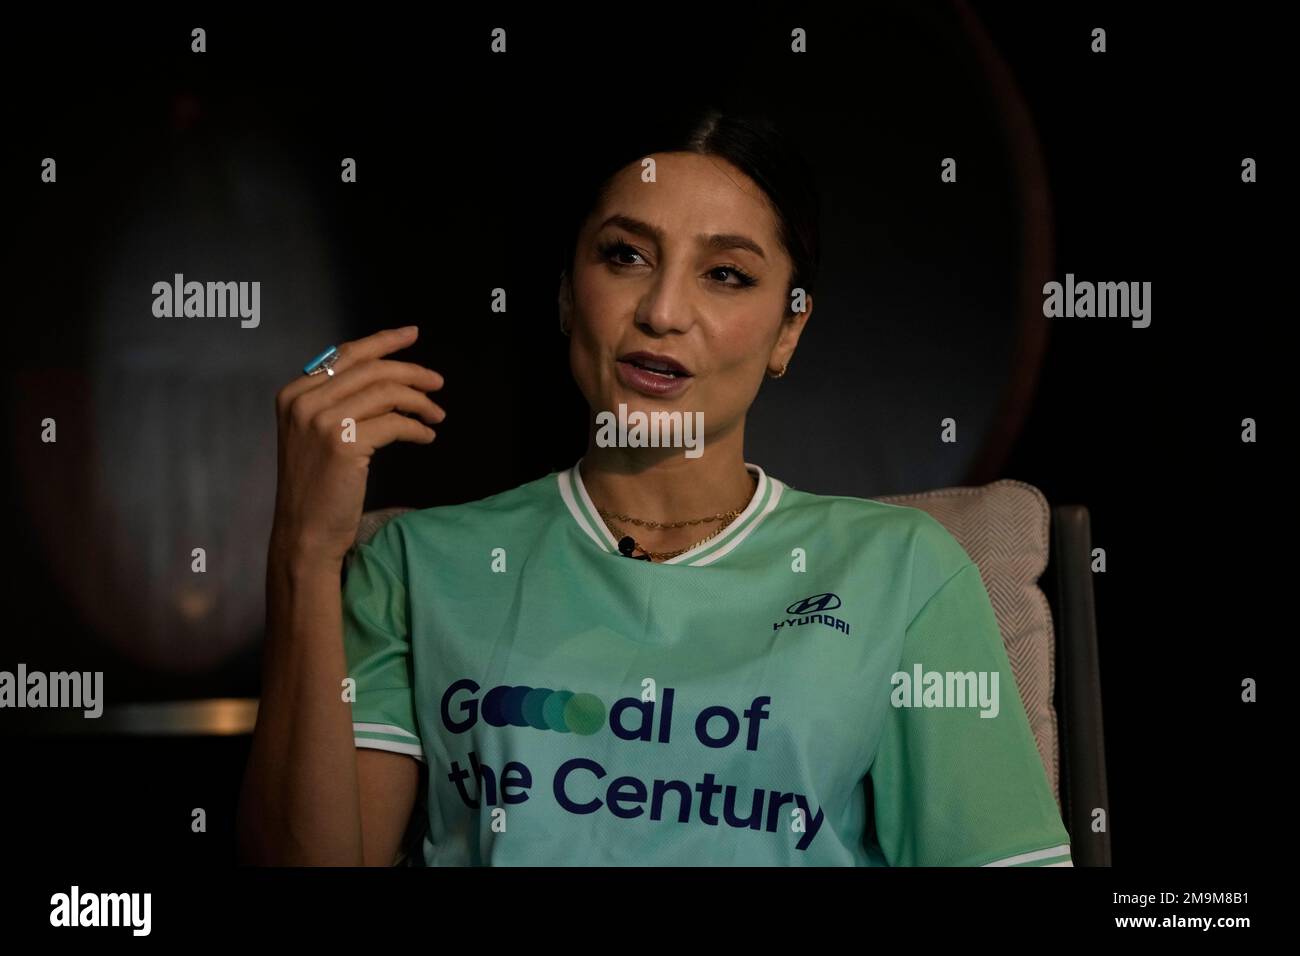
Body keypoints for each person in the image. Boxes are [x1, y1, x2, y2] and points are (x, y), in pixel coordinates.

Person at [237, 105, 1073, 867]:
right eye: (626, 256)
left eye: (727, 274)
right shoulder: (419, 565)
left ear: (790, 328)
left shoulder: (905, 573)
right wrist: (304, 552)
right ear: (569, 293)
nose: (664, 310)